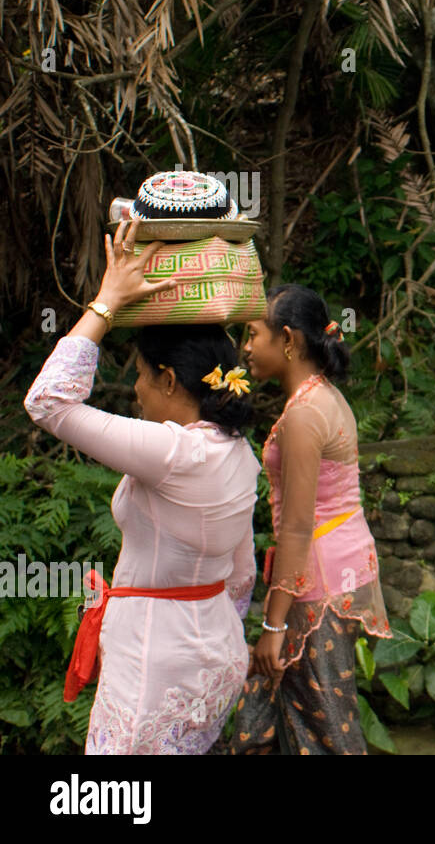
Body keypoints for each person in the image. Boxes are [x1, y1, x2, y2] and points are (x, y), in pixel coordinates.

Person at [23, 219, 259, 754]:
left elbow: (47, 403)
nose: (133, 388)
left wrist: (105, 304)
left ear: (169, 381)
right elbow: (241, 575)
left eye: (139, 374)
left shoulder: (171, 452)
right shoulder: (240, 452)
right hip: (217, 654)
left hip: (156, 662)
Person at [221, 283, 390, 754]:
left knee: (326, 727)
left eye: (254, 335)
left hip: (316, 583)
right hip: (329, 571)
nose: (247, 348)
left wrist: (273, 629)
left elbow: (297, 527)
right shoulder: (321, 398)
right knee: (265, 720)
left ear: (289, 340)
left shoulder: (305, 414)